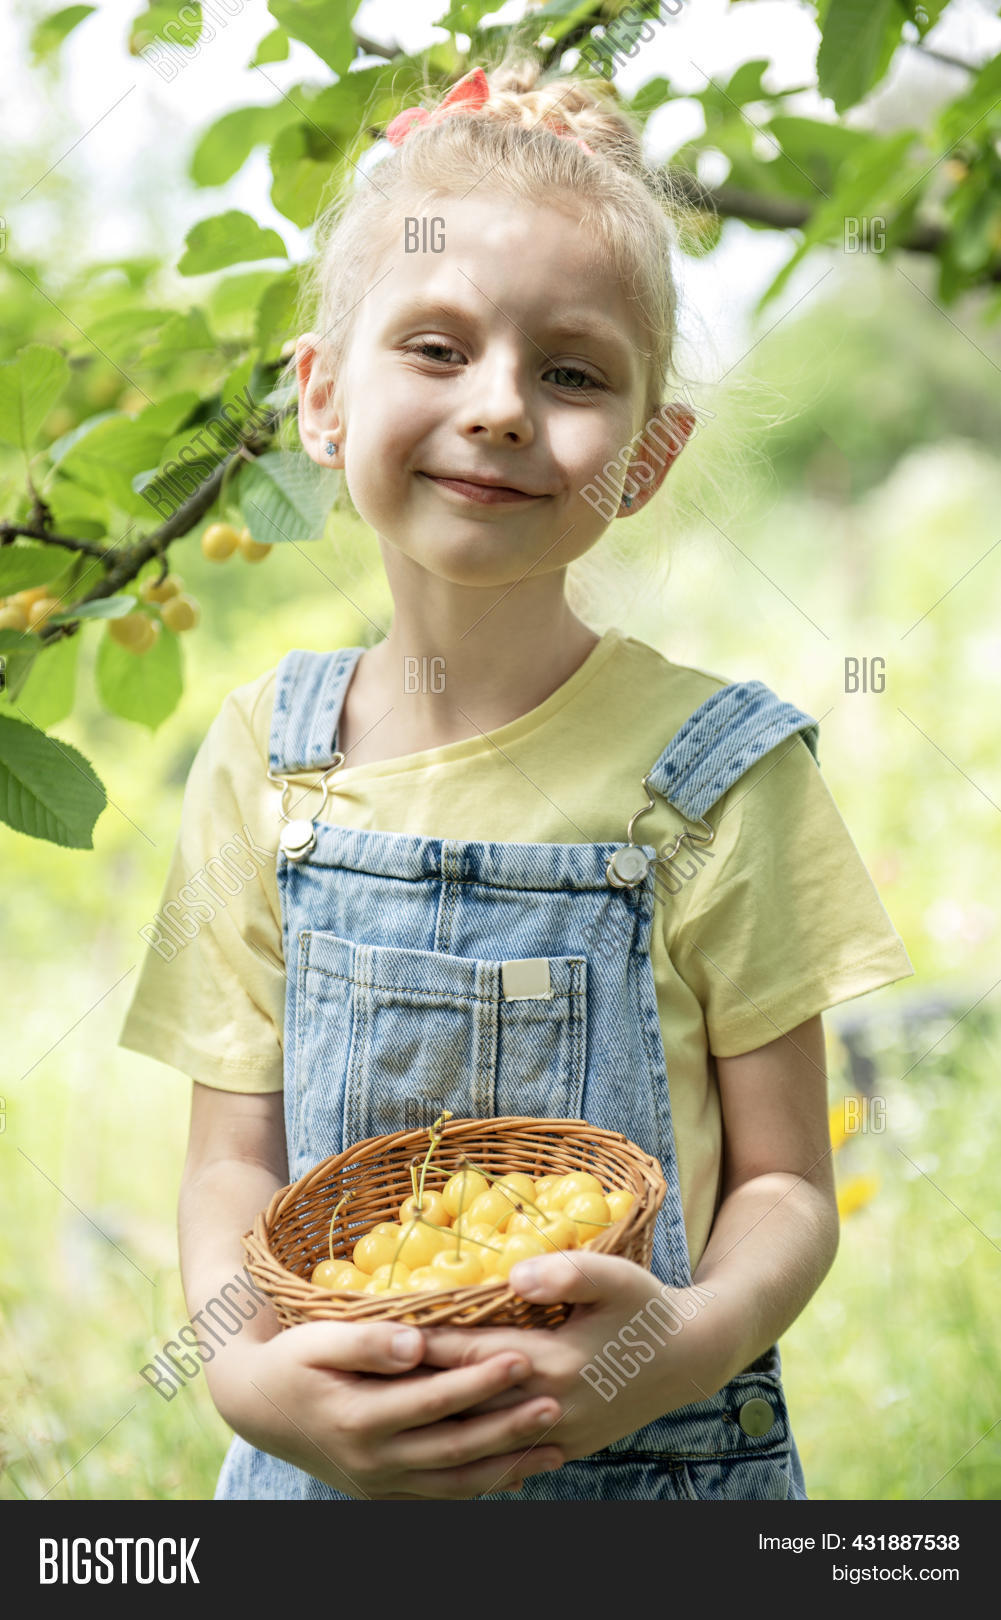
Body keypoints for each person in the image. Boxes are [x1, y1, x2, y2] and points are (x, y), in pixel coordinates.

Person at [119, 57, 913, 1501]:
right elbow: (229, 1166)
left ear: (648, 454)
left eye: (570, 371)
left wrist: (679, 1345)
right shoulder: (263, 758)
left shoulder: (721, 777)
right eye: (433, 347)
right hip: (328, 1478)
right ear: (319, 397)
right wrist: (244, 1375)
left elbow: (790, 1182)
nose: (496, 407)